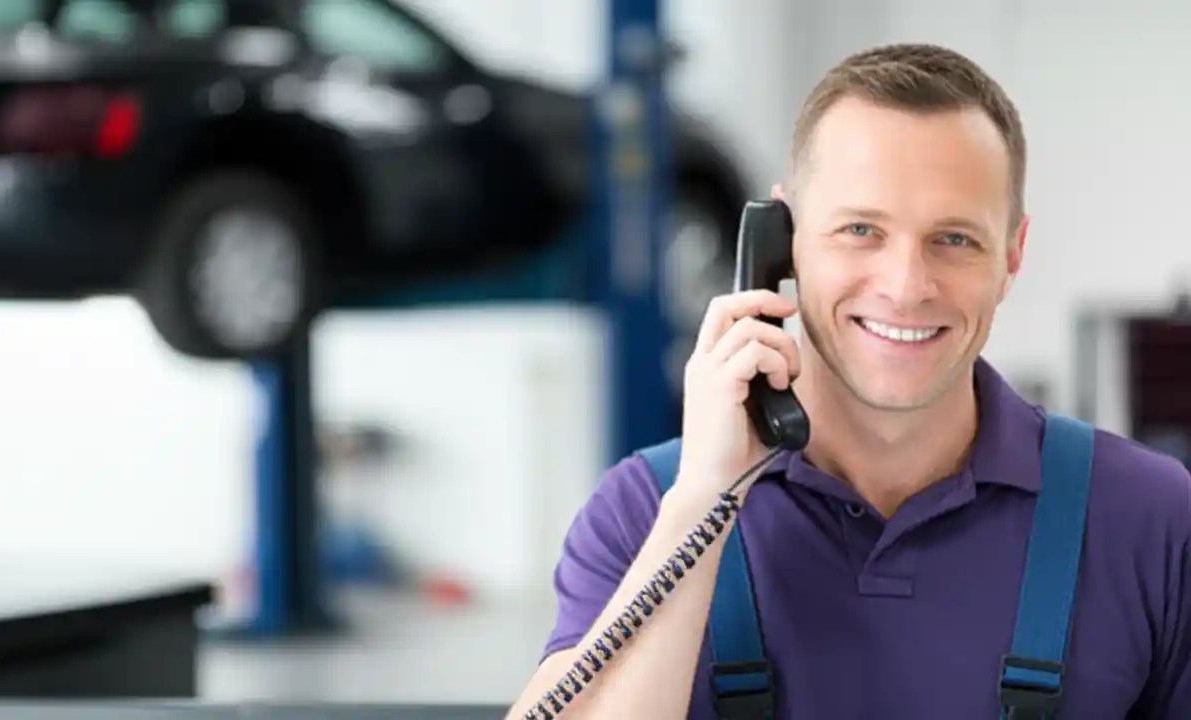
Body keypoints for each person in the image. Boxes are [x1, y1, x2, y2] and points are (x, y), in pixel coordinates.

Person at [505, 42, 1191, 719]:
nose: (905, 286)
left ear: (1012, 253)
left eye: (954, 239)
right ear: (782, 241)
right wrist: (702, 507)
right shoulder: (644, 510)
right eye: (861, 229)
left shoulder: (1150, 519)